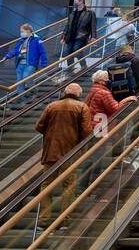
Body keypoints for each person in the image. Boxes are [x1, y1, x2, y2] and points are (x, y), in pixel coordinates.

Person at [34, 83, 94, 226]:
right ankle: (64, 218)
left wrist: (52, 135)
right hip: (71, 153)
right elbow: (87, 132)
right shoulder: (82, 107)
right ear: (79, 94)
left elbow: (39, 126)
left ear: (65, 92)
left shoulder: (52, 106)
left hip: (51, 152)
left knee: (47, 184)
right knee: (68, 184)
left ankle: (44, 219)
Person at [3, 23, 48, 100]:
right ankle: (22, 100)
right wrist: (7, 56)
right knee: (19, 83)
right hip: (20, 63)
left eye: (22, 31)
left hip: (30, 64)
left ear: (29, 31)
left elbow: (42, 52)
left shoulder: (37, 40)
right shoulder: (21, 41)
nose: (21, 33)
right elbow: (15, 50)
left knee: (26, 77)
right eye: (21, 32)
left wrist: (44, 63)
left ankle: (34, 91)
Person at [62, 0, 96, 72]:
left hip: (82, 35)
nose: (74, 3)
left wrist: (93, 36)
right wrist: (63, 37)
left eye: (76, 1)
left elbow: (93, 25)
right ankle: (70, 69)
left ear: (81, 1)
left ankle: (84, 66)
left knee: (76, 50)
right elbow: (67, 26)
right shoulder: (73, 13)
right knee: (68, 52)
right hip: (70, 36)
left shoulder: (90, 12)